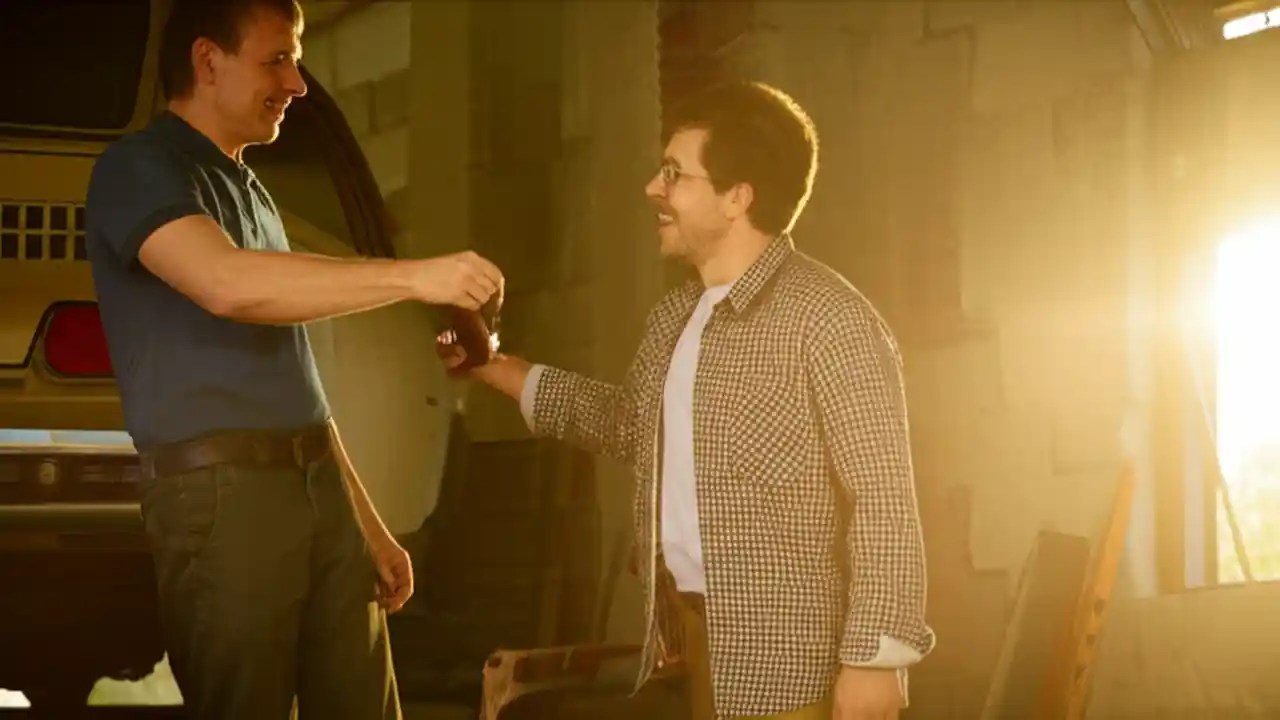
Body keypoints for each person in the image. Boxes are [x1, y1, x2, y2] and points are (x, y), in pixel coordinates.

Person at [440, 81, 934, 720]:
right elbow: (631, 426)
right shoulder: (675, 317)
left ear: (737, 198)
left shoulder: (830, 320)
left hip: (790, 663)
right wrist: (497, 368)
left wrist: (876, 661)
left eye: (675, 174)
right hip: (687, 644)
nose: (653, 187)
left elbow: (883, 495)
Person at [84, 1, 503, 717]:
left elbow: (296, 380)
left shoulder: (253, 191)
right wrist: (411, 276)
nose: (299, 84)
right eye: (277, 59)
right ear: (209, 62)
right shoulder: (139, 169)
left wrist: (366, 525)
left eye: (297, 59)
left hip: (318, 490)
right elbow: (223, 284)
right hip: (221, 499)